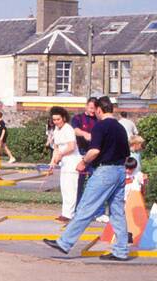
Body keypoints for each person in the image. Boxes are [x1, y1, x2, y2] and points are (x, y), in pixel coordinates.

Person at [43, 96, 131, 262]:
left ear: (99, 109)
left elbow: (94, 151)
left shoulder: (100, 126)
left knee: (86, 206)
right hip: (120, 170)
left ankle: (65, 242)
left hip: (105, 170)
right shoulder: (120, 128)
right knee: (117, 212)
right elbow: (126, 153)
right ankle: (121, 250)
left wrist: (83, 162)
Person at [47, 106, 81, 222]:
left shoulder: (68, 129)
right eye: (54, 120)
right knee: (65, 188)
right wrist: (52, 162)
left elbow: (72, 147)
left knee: (71, 189)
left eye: (58, 119)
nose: (56, 122)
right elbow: (56, 148)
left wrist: (60, 155)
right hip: (64, 163)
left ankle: (69, 214)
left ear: (64, 118)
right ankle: (65, 213)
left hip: (72, 161)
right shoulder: (56, 130)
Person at [70, 97, 99, 207]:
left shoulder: (98, 120)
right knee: (79, 183)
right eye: (91, 108)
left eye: (95, 109)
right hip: (81, 153)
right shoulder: (78, 118)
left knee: (94, 183)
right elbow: (75, 130)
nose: (93, 111)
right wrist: (84, 134)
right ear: (86, 106)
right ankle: (78, 207)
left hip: (94, 154)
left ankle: (93, 209)